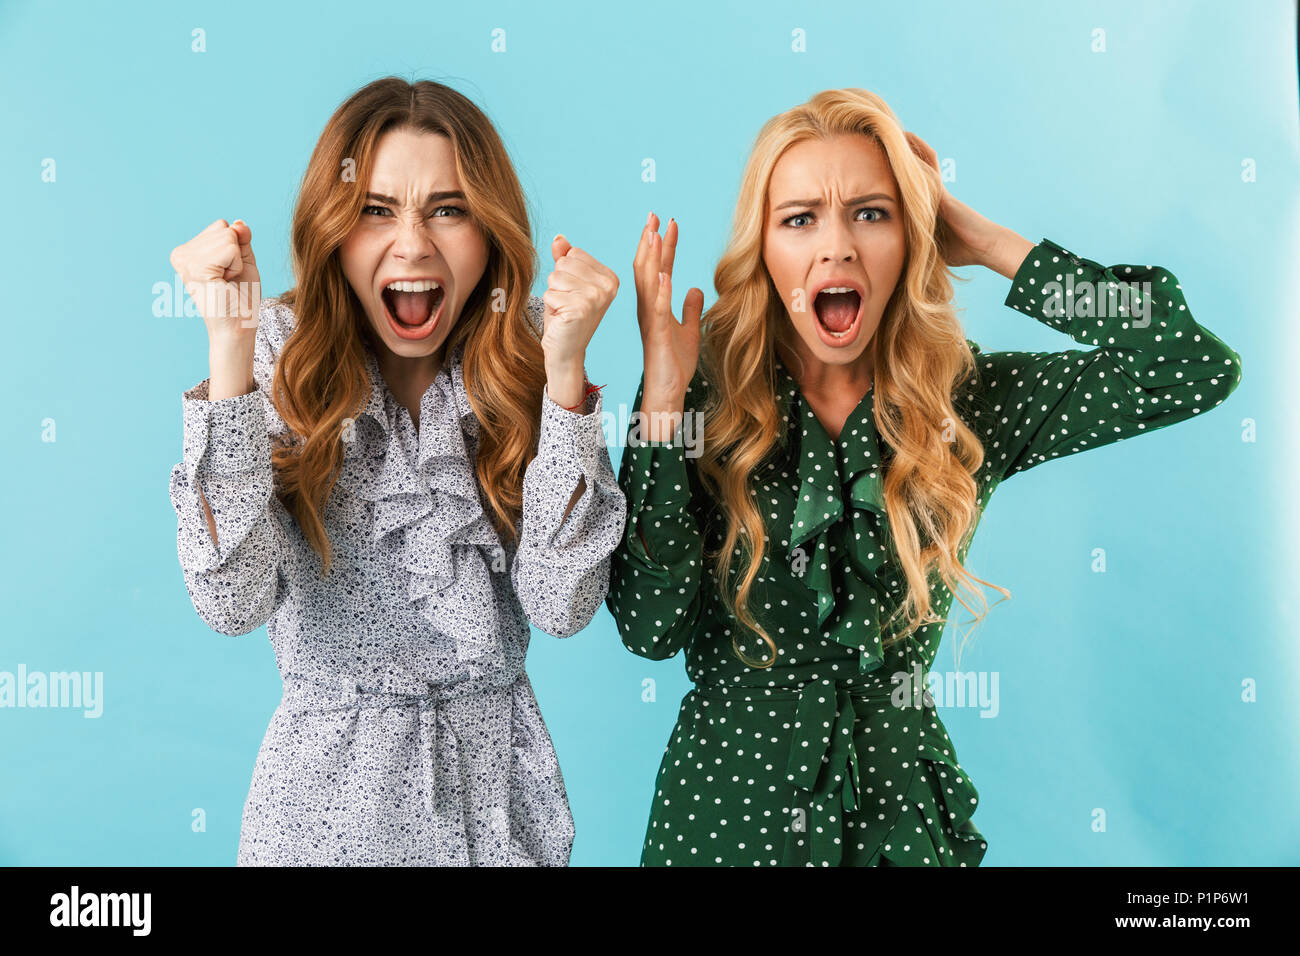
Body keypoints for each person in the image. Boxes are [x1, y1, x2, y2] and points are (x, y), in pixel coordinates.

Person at [606, 87, 1243, 866]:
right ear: (763, 249)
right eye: (800, 218)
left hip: (900, 818)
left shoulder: (964, 400)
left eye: (871, 213)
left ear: (913, 237)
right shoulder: (699, 392)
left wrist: (985, 239)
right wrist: (663, 401)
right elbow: (647, 631)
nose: (836, 247)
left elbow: (1191, 368)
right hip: (727, 818)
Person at [167, 77, 626, 865]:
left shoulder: (522, 360)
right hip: (324, 809)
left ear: (489, 231)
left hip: (495, 805)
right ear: (334, 229)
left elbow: (563, 605)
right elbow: (230, 603)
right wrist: (230, 347)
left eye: (448, 209)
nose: (413, 244)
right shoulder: (280, 354)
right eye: (376, 209)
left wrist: (565, 380)